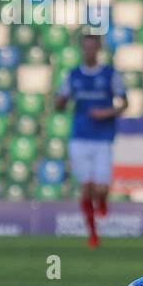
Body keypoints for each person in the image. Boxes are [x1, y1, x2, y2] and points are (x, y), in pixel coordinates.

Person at [54, 31, 127, 247]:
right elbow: (60, 102)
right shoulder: (73, 75)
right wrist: (60, 102)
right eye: (85, 47)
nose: (88, 51)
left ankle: (103, 200)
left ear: (98, 49)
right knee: (86, 187)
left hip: (103, 138)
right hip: (80, 137)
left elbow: (124, 103)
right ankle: (93, 233)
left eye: (92, 47)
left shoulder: (109, 74)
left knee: (101, 188)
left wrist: (106, 113)